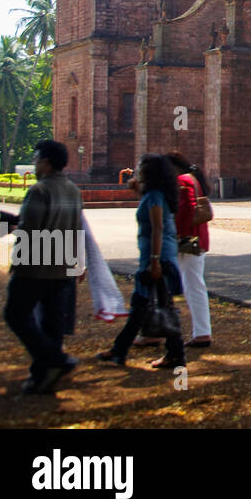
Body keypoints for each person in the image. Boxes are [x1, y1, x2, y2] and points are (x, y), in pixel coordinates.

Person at [0, 139, 84, 395]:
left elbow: (29, 229)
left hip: (35, 266)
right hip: (62, 264)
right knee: (52, 321)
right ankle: (43, 374)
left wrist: (3, 228)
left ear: (46, 162)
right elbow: (75, 229)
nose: (34, 164)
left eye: (36, 159)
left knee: (16, 314)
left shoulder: (39, 190)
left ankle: (55, 360)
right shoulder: (73, 189)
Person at [99, 154, 186, 369]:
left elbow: (158, 227)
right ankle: (172, 354)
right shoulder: (155, 194)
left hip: (157, 259)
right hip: (156, 257)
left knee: (149, 305)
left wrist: (155, 261)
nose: (136, 170)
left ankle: (122, 351)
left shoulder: (155, 195)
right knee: (151, 304)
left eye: (140, 167)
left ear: (149, 172)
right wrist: (138, 191)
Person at [167, 152, 213, 349]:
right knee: (194, 284)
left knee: (192, 285)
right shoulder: (192, 178)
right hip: (196, 239)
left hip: (187, 241)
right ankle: (201, 332)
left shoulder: (182, 180)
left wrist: (175, 232)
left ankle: (201, 333)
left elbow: (186, 209)